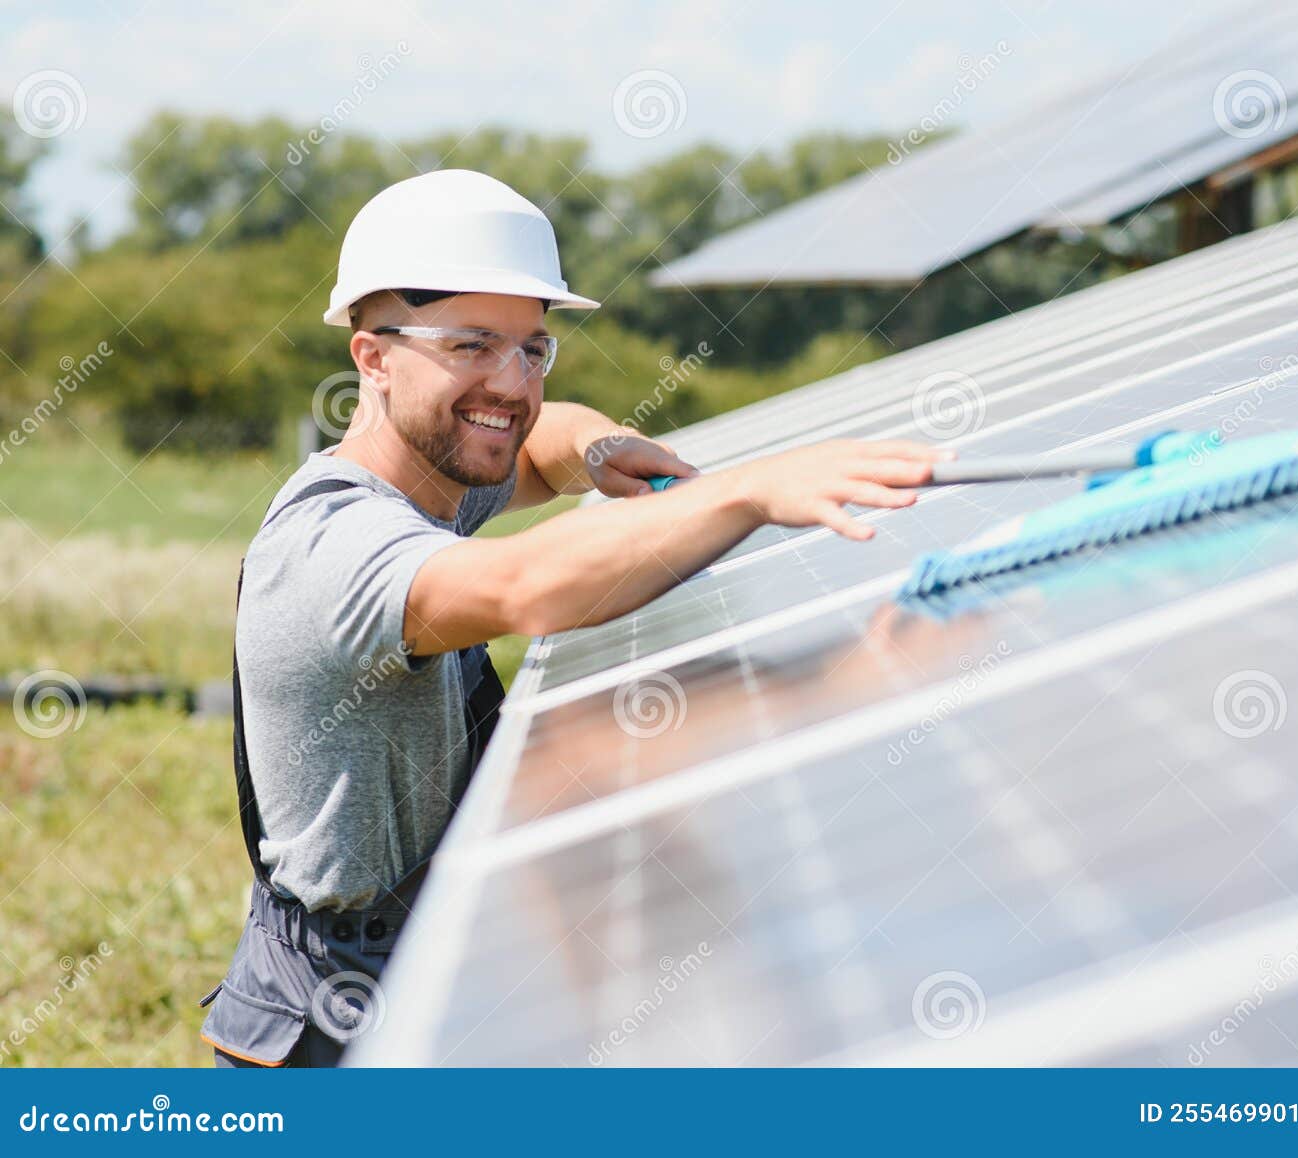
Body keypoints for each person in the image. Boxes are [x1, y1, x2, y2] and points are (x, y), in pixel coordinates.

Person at [198, 169, 947, 1066]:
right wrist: (751, 492)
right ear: (373, 357)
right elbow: (525, 585)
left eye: (534, 349)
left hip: (414, 975)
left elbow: (547, 446)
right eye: (473, 345)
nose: (511, 384)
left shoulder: (435, 486)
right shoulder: (337, 543)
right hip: (333, 1033)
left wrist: (597, 454)